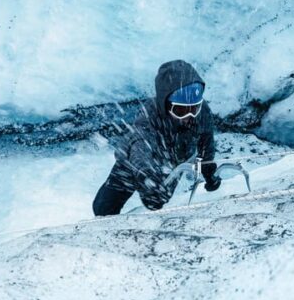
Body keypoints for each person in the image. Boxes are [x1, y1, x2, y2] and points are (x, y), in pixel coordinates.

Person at [92, 60, 220, 216]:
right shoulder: (149, 116)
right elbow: (140, 147)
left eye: (194, 108)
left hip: (173, 162)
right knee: (102, 208)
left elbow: (206, 142)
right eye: (181, 110)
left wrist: (208, 171)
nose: (189, 116)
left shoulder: (202, 111)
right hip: (134, 162)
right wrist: (147, 179)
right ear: (165, 103)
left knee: (161, 202)